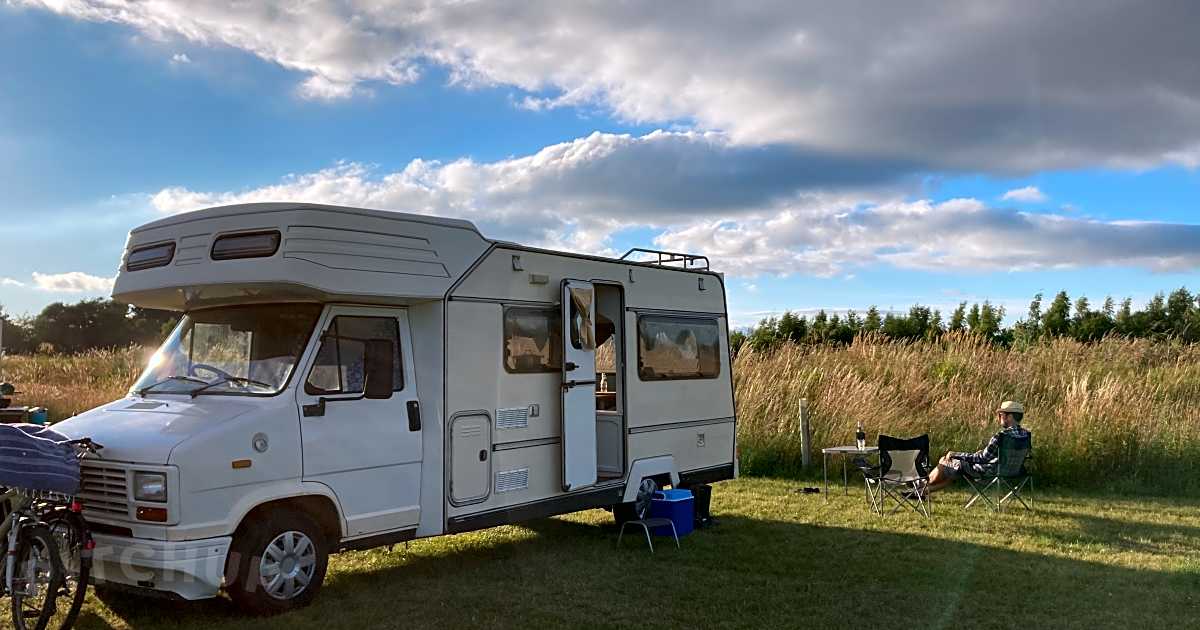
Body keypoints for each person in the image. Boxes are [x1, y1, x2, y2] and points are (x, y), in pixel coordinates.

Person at [925, 401, 1030, 494]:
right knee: (954, 470)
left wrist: (955, 454)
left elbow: (981, 459)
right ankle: (923, 491)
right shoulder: (1026, 435)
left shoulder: (1001, 436)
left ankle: (922, 485)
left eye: (1001, 414)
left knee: (945, 461)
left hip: (989, 472)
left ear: (1010, 417)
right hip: (1014, 473)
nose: (998, 417)